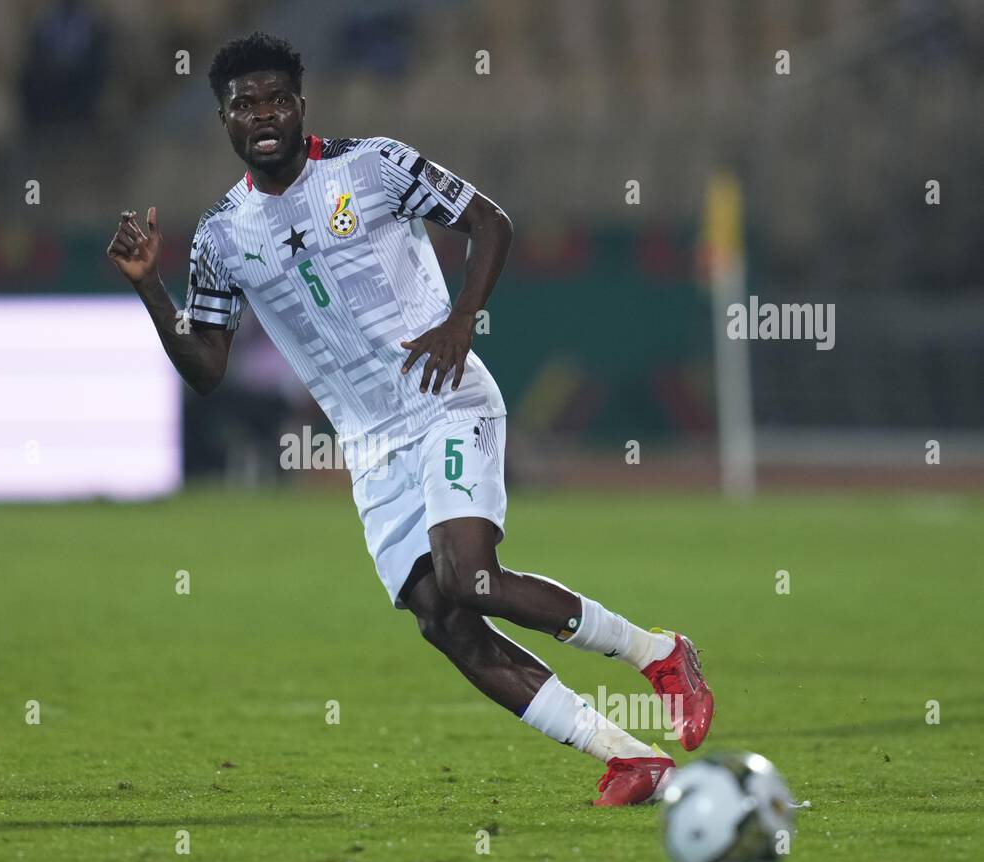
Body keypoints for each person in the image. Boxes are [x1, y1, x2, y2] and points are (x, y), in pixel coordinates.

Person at [107, 32, 713, 805]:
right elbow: (208, 369)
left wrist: (462, 321)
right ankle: (629, 755)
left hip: (445, 399)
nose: (261, 115)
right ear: (223, 120)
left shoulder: (375, 164)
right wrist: (150, 288)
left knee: (473, 575)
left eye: (275, 99)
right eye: (242, 105)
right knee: (442, 617)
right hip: (371, 445)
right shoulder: (222, 236)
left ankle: (659, 652)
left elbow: (490, 222)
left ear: (300, 104)